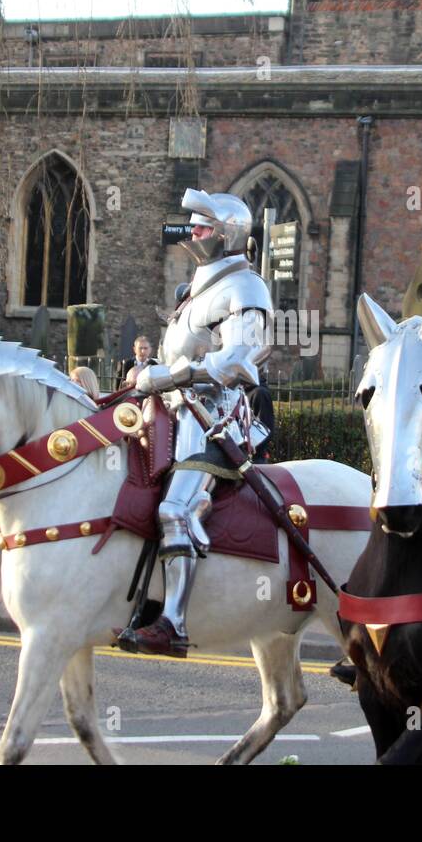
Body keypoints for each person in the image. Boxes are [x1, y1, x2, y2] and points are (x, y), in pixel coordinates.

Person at [113, 188, 272, 658]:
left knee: (175, 510)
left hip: (215, 420)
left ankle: (175, 623)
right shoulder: (197, 289)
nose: (192, 232)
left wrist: (160, 376)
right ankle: (148, 599)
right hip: (172, 415)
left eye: (201, 225)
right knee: (135, 496)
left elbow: (240, 363)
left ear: (227, 234)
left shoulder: (246, 287)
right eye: (193, 224)